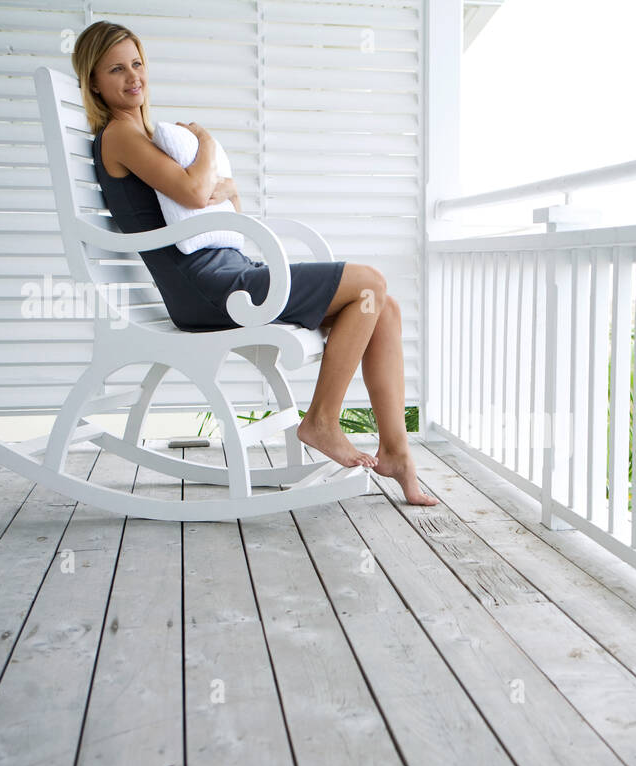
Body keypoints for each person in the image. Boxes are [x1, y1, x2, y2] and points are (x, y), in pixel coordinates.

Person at [72, 20, 436, 506]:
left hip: (224, 273)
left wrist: (221, 188)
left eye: (137, 64)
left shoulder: (145, 134)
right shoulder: (119, 135)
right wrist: (205, 142)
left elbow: (218, 204)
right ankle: (322, 421)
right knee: (368, 282)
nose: (133, 76)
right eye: (116, 69)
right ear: (94, 81)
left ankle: (397, 454)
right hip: (205, 286)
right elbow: (197, 191)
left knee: (382, 306)